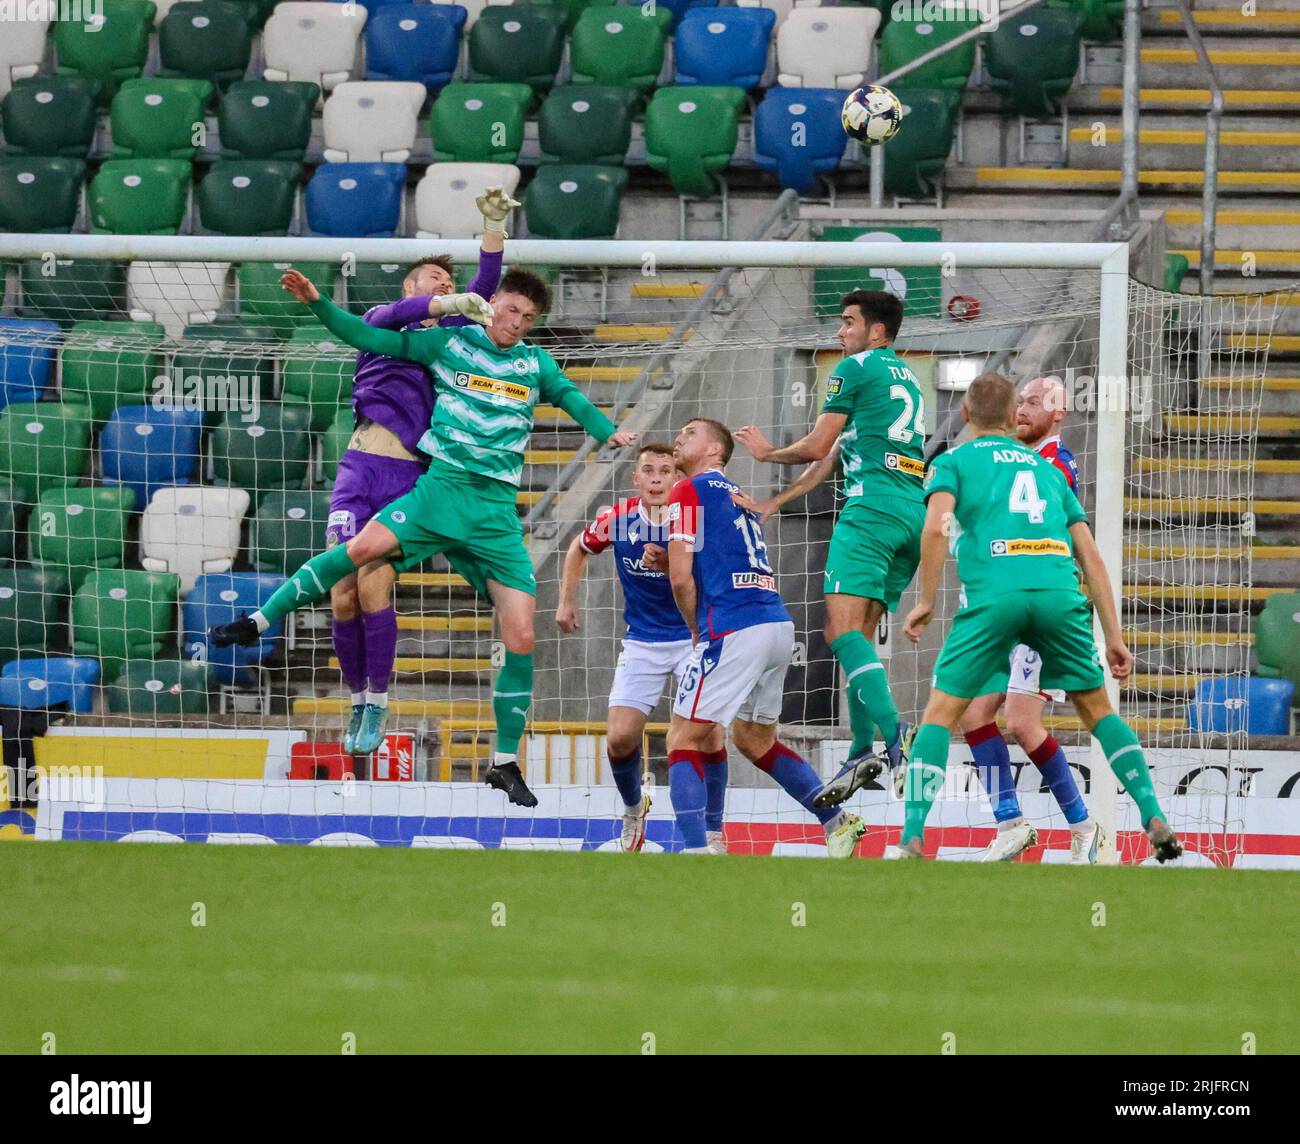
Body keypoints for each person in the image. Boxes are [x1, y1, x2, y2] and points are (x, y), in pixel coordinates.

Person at [210, 268, 637, 808]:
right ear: (492, 304)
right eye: (510, 310)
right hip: (439, 491)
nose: (517, 323)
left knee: (522, 634)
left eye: (529, 318)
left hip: (496, 513)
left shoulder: (535, 363)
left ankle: (504, 764)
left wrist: (607, 432)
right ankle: (258, 621)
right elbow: (371, 338)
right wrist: (318, 303)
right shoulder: (451, 341)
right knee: (359, 553)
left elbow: (571, 398)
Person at [897, 373, 1183, 863]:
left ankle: (912, 836)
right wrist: (1113, 635)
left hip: (996, 596)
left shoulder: (953, 461)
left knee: (943, 715)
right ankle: (1150, 811)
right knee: (1097, 712)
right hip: (1056, 594)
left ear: (965, 414)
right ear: (1011, 418)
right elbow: (1090, 556)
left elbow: (935, 527)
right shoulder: (1046, 470)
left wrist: (924, 599)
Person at [328, 187, 516, 757]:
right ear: (411, 284)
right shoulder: (379, 321)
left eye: (445, 278)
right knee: (340, 593)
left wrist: (492, 227)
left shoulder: (447, 340)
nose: (441, 283)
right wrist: (446, 302)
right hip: (359, 468)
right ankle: (356, 697)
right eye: (432, 275)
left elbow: (482, 287)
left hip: (408, 476)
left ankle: (378, 704)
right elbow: (406, 312)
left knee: (373, 581)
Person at [735, 289, 923, 807]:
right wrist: (778, 501)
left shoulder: (854, 369)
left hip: (870, 512)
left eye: (848, 322)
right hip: (910, 514)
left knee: (838, 632)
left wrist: (769, 453)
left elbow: (817, 445)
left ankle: (897, 737)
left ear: (876, 331)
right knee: (858, 638)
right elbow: (833, 457)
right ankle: (862, 749)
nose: (840, 332)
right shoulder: (902, 377)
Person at [664, 418, 867, 858]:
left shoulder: (687, 491)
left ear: (716, 451)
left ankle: (697, 850)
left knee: (681, 737)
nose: (679, 437)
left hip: (734, 626)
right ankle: (837, 821)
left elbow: (681, 578)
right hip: (775, 623)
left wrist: (697, 629)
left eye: (691, 432)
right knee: (754, 740)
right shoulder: (735, 496)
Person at [557, 443, 729, 853]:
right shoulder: (618, 519)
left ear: (678, 478)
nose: (656, 478)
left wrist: (672, 565)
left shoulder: (694, 518)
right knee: (619, 738)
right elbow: (577, 549)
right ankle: (635, 808)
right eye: (648, 470)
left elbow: (715, 575)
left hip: (694, 637)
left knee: (709, 736)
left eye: (665, 470)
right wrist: (566, 600)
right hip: (643, 641)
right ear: (636, 480)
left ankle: (714, 830)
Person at [957, 376, 1101, 863]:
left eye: (1034, 404)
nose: (1022, 411)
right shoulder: (1017, 459)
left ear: (1058, 414)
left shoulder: (1054, 463)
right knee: (975, 714)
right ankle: (1011, 823)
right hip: (1008, 605)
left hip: (1041, 607)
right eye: (1019, 402)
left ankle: (1083, 827)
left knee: (1019, 720)